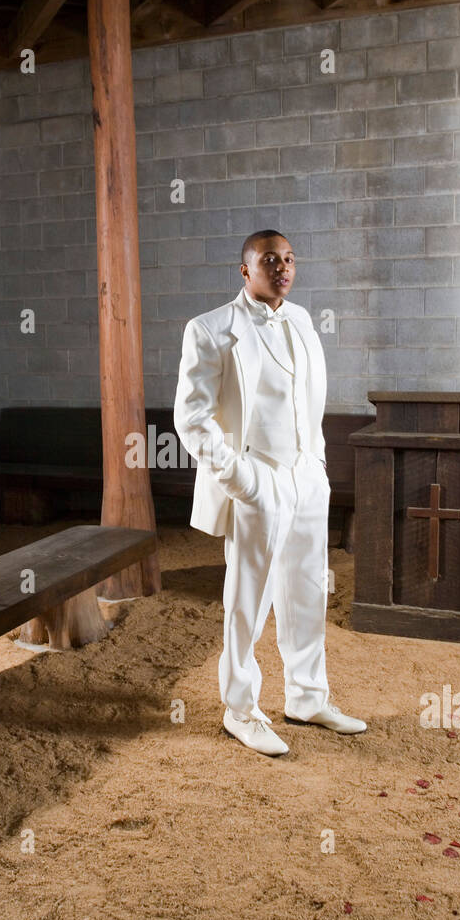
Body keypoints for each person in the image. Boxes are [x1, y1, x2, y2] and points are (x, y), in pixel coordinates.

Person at [174, 229, 366, 756]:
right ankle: (240, 709)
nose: (281, 268)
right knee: (248, 600)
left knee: (307, 589)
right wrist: (244, 482)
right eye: (268, 260)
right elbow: (191, 419)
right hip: (258, 480)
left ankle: (307, 696)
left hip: (306, 477)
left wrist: (318, 464)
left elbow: (309, 401)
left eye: (288, 259)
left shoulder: (302, 319)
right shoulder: (210, 330)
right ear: (245, 270)